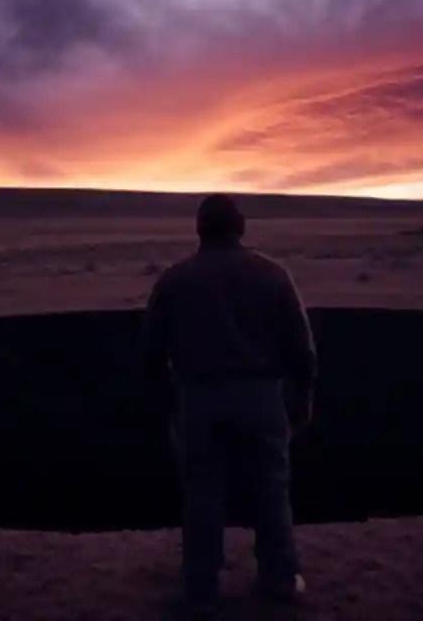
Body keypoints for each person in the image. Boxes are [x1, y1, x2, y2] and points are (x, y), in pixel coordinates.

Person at [141, 194, 317, 616]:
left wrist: (169, 405)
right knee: (271, 489)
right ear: (240, 228)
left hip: (200, 400)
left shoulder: (174, 280)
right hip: (260, 398)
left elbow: (150, 353)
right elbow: (302, 349)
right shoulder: (273, 275)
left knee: (202, 492)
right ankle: (278, 579)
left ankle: (200, 589)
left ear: (199, 229)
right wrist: (303, 397)